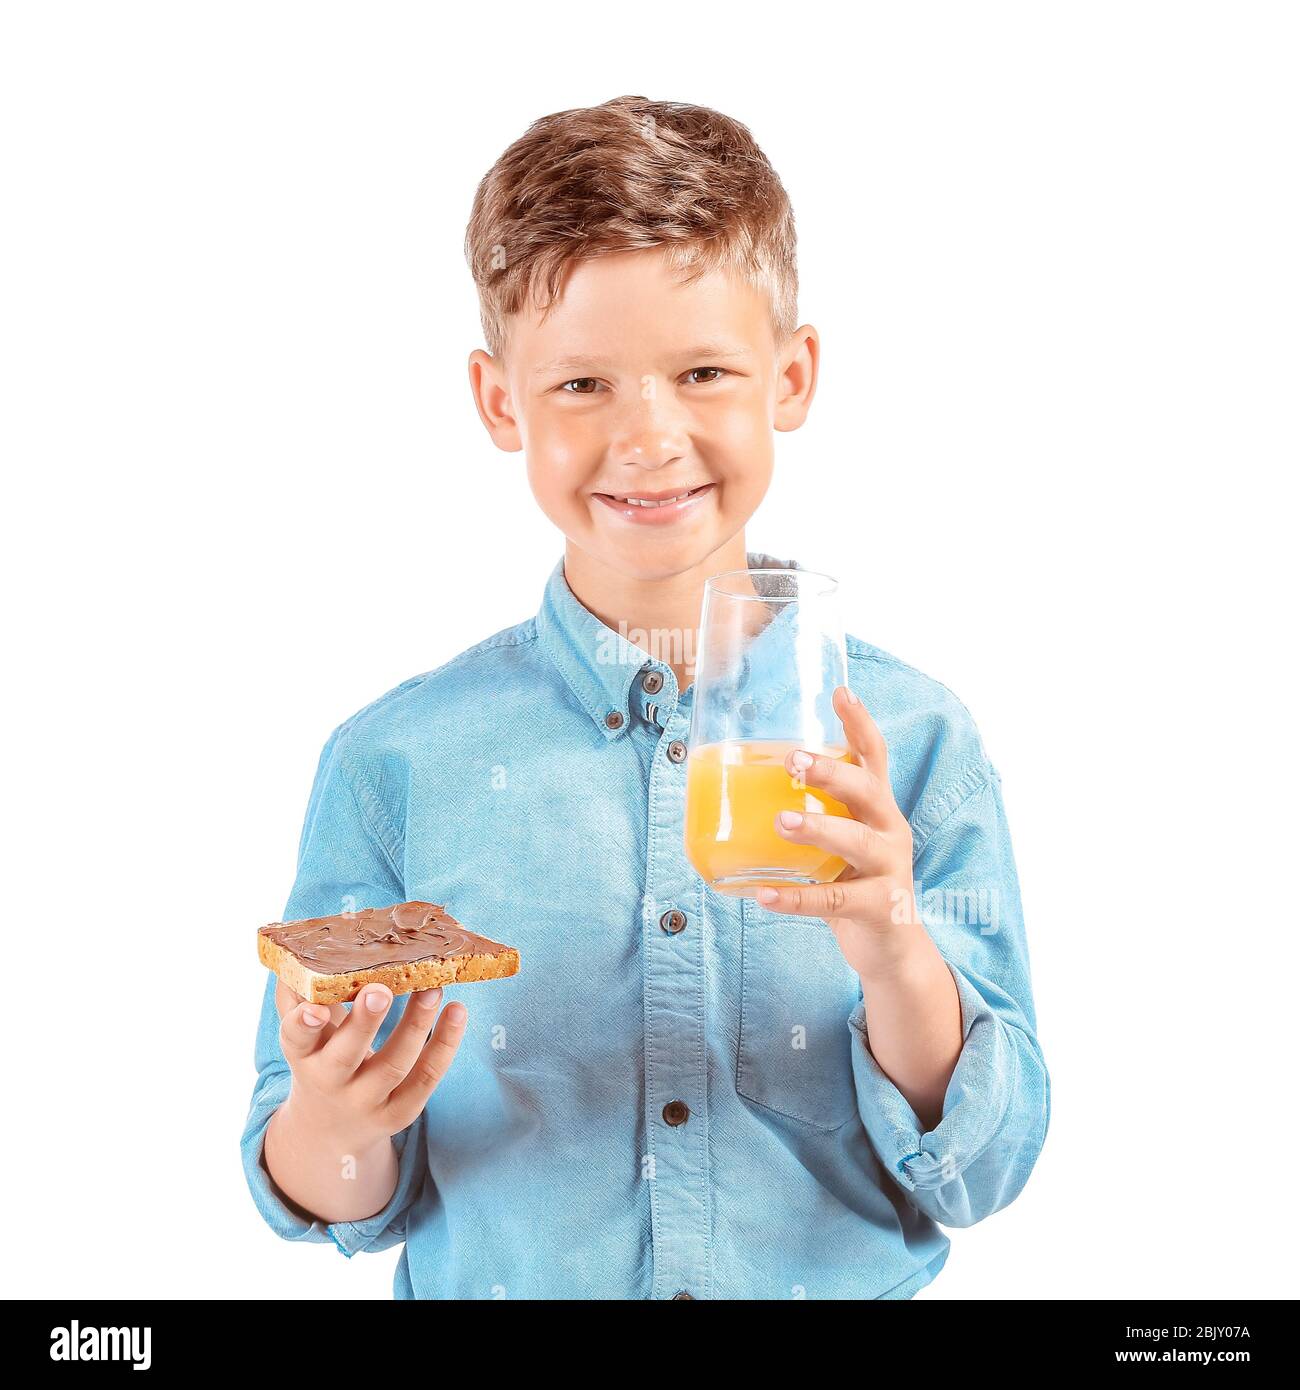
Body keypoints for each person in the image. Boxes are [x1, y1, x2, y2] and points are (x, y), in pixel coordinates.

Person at [240, 94, 1050, 1300]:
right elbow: (336, 1193)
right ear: (500, 401)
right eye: (581, 386)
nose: (648, 435)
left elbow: (977, 1174)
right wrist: (333, 1110)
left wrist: (895, 954)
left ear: (793, 374)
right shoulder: (393, 762)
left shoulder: (912, 745)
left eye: (704, 370)